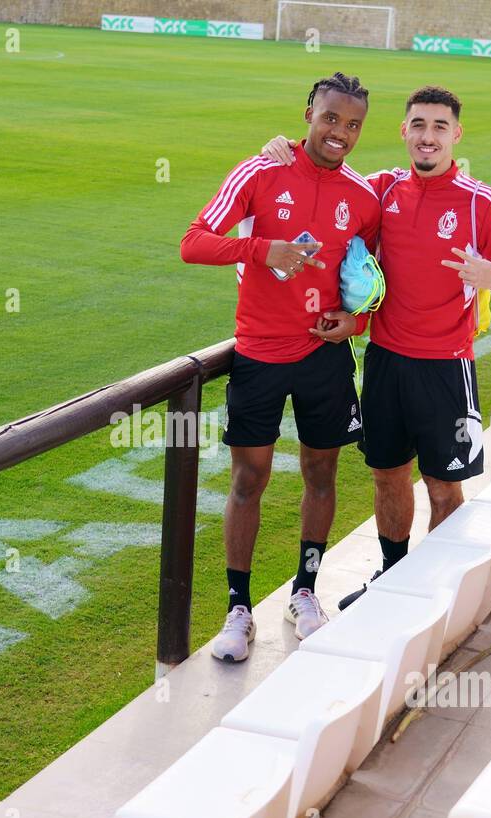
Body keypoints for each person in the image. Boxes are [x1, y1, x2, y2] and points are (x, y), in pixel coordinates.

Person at [262, 85, 491, 609]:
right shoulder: (382, 190)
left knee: (442, 488)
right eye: (418, 125)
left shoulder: (482, 202)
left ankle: (440, 593)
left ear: (456, 134)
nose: (427, 136)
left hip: (445, 370)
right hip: (384, 363)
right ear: (403, 132)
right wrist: (282, 149)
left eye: (438, 127)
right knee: (388, 477)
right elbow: (325, 179)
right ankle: (392, 578)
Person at [180, 72, 381, 662]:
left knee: (322, 476)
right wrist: (262, 249)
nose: (340, 133)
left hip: (325, 359)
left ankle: (305, 592)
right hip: (260, 355)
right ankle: (238, 610)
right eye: (331, 119)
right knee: (249, 480)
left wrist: (357, 322)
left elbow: (372, 280)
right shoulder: (260, 172)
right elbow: (194, 242)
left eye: (353, 125)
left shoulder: (363, 197)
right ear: (308, 113)